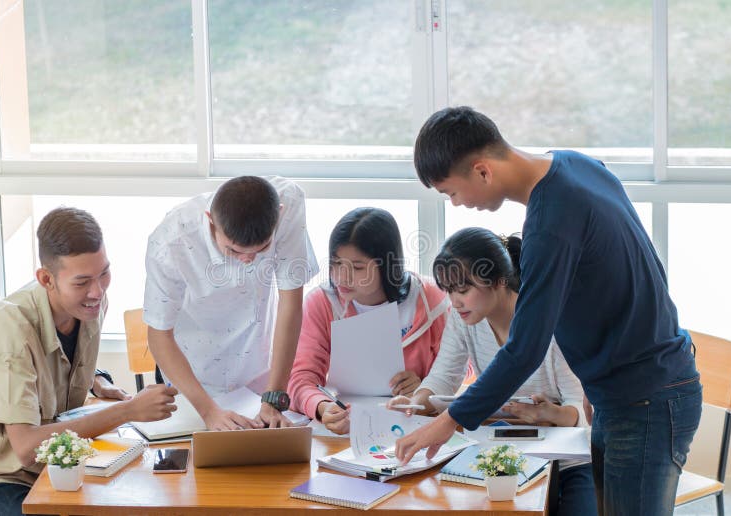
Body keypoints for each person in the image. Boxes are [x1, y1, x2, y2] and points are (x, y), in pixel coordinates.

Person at [394, 106, 701, 516]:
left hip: (646, 395)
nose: (456, 204)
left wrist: (450, 420)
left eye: (451, 192)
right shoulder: (576, 164)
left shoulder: (549, 224)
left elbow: (525, 349)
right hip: (629, 390)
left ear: (482, 171)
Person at [0, 207, 177, 516]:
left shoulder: (88, 305)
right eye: (82, 281)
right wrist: (128, 410)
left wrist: (96, 379)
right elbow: (27, 448)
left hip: (64, 467)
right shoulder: (10, 329)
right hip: (3, 479)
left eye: (104, 273)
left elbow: (61, 367)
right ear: (46, 279)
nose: (97, 291)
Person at [388, 228, 595, 515]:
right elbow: (442, 379)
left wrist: (549, 414)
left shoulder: (548, 321)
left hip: (566, 459)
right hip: (497, 456)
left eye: (463, 290)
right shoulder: (464, 320)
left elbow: (581, 410)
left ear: (499, 281)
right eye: (448, 291)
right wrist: (415, 402)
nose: (454, 301)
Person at [144, 176, 318, 431]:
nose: (248, 260)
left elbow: (290, 303)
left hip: (257, 368)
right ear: (210, 220)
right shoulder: (171, 241)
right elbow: (159, 335)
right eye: (234, 251)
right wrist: (209, 411)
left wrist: (274, 397)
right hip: (191, 376)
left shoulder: (289, 203)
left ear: (279, 216)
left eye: (262, 249)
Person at [288, 207, 449, 434]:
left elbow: (458, 373)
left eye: (357, 267)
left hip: (413, 428)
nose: (341, 276)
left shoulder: (431, 299)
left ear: (387, 265)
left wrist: (424, 387)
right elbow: (300, 379)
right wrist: (323, 407)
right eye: (336, 263)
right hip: (345, 429)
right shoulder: (322, 302)